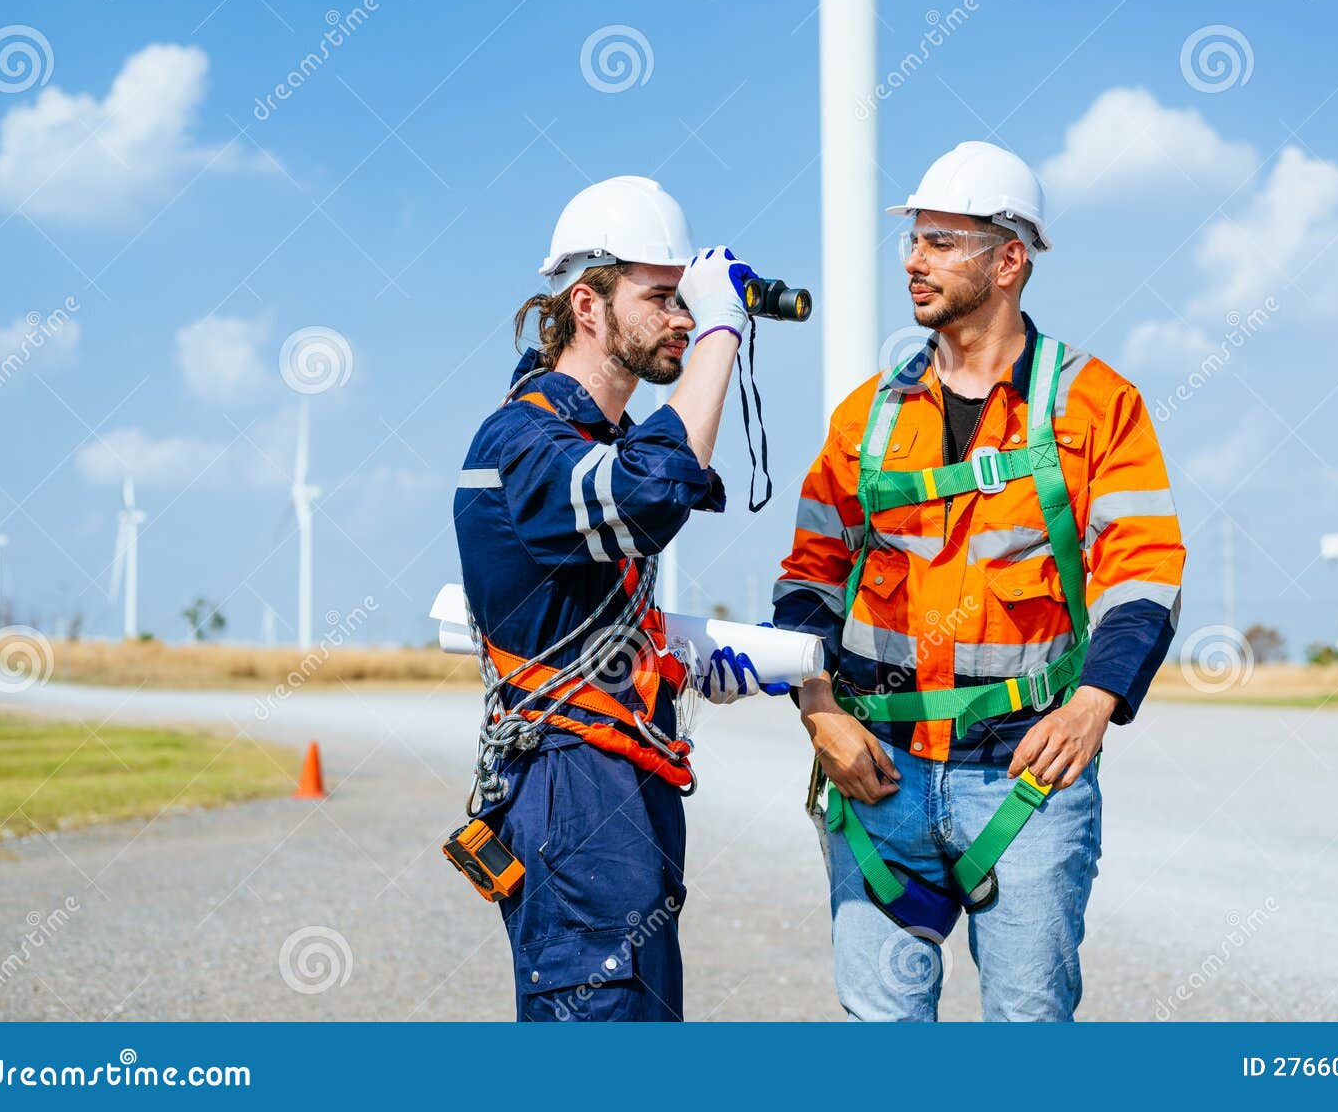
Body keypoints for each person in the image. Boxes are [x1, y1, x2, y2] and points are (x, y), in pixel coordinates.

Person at [774, 141, 1186, 1021]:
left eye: (941, 241)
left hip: (1025, 783)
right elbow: (806, 584)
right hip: (875, 777)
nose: (914, 261)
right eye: (913, 240)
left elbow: (1144, 571)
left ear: (1009, 260)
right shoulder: (868, 419)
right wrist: (820, 715)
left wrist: (1094, 704)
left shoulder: (1095, 405)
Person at [453, 175, 760, 1021]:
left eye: (689, 302)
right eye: (663, 298)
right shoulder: (523, 438)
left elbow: (600, 583)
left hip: (621, 776)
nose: (684, 320)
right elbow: (653, 494)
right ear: (586, 305)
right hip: (571, 786)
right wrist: (725, 334)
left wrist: (687, 661)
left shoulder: (600, 440)